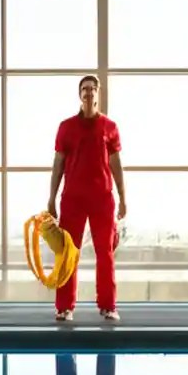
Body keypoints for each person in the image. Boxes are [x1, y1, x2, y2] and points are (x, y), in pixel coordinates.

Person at [48, 75, 126, 322]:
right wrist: (51, 198)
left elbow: (116, 164)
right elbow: (58, 164)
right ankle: (65, 307)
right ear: (79, 94)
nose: (89, 93)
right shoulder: (66, 127)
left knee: (106, 252)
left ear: (98, 93)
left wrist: (123, 197)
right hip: (72, 198)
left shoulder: (109, 127)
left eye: (92, 89)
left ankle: (108, 305)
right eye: (85, 89)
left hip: (102, 198)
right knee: (69, 253)